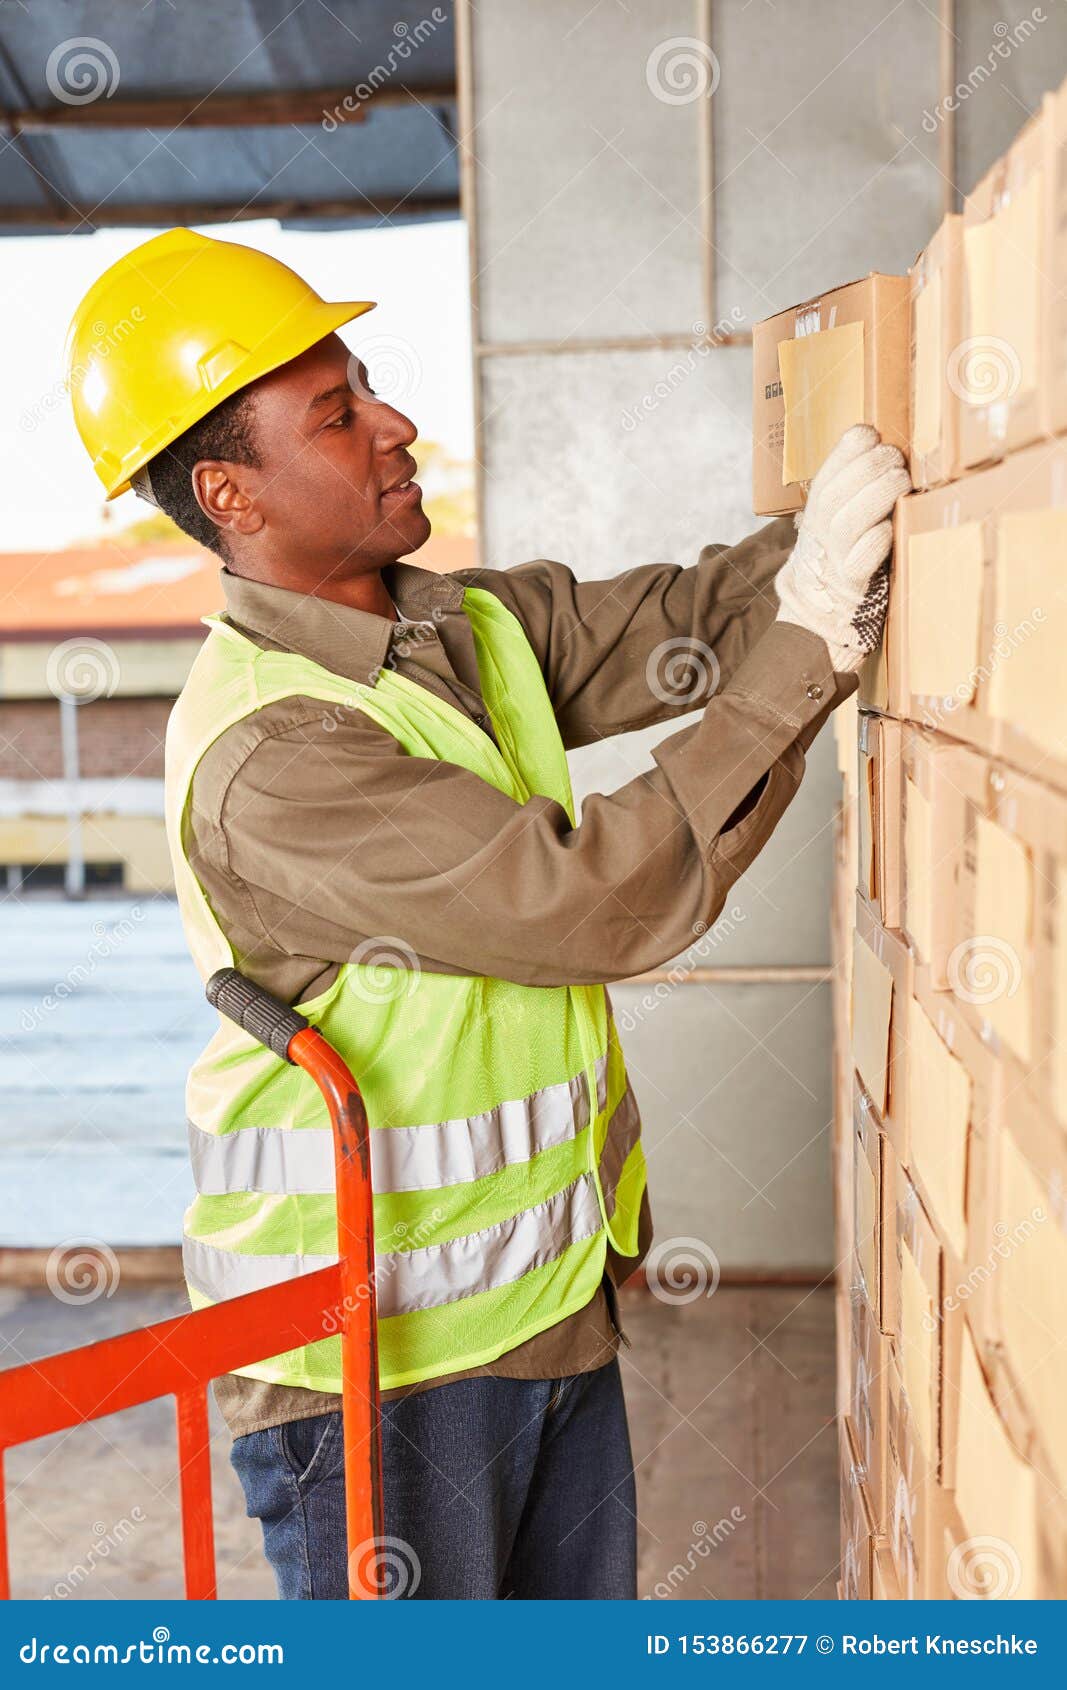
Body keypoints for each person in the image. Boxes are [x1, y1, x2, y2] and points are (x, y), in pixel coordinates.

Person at [67, 228, 910, 1601]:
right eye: (339, 416)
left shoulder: (454, 628)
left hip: (544, 1310)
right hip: (373, 1374)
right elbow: (589, 896)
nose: (397, 427)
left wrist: (834, 533)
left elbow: (683, 619)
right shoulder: (272, 754)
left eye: (366, 386)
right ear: (232, 492)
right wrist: (813, 637)